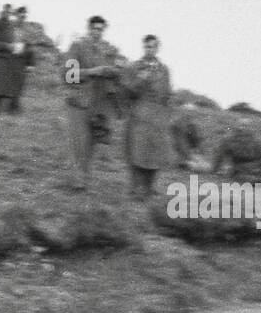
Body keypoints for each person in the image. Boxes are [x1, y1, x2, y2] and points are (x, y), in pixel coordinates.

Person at [60, 15, 126, 188]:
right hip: (78, 102)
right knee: (78, 143)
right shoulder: (78, 46)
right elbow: (68, 75)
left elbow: (111, 76)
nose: (98, 32)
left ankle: (83, 180)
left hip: (97, 105)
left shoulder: (105, 51)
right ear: (89, 28)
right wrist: (92, 71)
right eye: (95, 28)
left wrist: (113, 71)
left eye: (101, 29)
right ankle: (77, 182)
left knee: (90, 144)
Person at [120, 34, 174, 200]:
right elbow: (127, 92)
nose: (150, 50)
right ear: (143, 47)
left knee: (155, 153)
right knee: (137, 153)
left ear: (158, 48)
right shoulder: (134, 67)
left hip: (158, 118)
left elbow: (167, 94)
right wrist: (140, 80)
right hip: (140, 115)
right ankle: (136, 189)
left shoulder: (164, 69)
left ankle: (150, 188)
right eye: (147, 46)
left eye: (153, 47)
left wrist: (166, 114)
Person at [212, 117, 261, 182]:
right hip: (241, 167)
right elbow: (219, 156)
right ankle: (260, 179)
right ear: (237, 127)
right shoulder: (229, 139)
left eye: (246, 126)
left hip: (256, 166)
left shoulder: (256, 140)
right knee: (249, 178)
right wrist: (215, 169)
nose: (243, 129)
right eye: (242, 126)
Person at [170, 105, 209, 172]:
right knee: (198, 166)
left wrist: (198, 154)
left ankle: (188, 164)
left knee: (206, 167)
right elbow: (179, 143)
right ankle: (185, 163)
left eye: (193, 113)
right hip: (177, 152)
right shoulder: (177, 124)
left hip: (189, 152)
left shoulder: (192, 125)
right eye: (189, 112)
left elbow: (197, 142)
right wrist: (189, 157)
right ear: (183, 113)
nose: (191, 115)